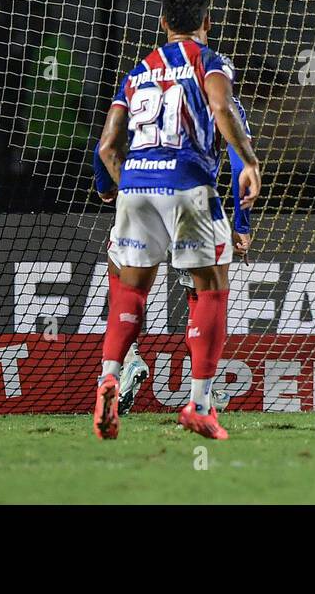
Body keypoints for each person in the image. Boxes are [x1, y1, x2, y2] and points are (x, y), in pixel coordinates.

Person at [93, 0, 260, 441]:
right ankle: (199, 404)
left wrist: (112, 186)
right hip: (186, 185)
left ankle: (110, 376)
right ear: (207, 23)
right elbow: (224, 112)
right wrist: (250, 163)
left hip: (136, 186)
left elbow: (107, 145)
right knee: (211, 289)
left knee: (130, 288)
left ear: (162, 23)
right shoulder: (210, 63)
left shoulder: (138, 71)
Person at [91, 97, 255, 415]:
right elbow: (239, 165)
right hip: (192, 199)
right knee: (201, 296)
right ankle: (201, 395)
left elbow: (106, 143)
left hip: (143, 193)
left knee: (123, 283)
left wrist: (103, 182)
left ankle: (125, 362)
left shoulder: (144, 83)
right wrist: (242, 225)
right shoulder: (221, 96)